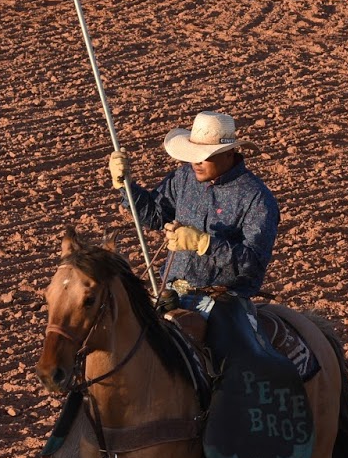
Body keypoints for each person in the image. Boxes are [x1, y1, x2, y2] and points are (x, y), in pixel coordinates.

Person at [107, 111, 280, 312]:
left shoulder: (256, 198)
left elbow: (253, 264)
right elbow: (155, 216)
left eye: (204, 156)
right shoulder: (183, 178)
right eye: (193, 155)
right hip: (170, 292)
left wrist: (204, 244)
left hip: (223, 301)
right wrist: (126, 186)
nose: (196, 162)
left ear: (229, 153)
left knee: (236, 343)